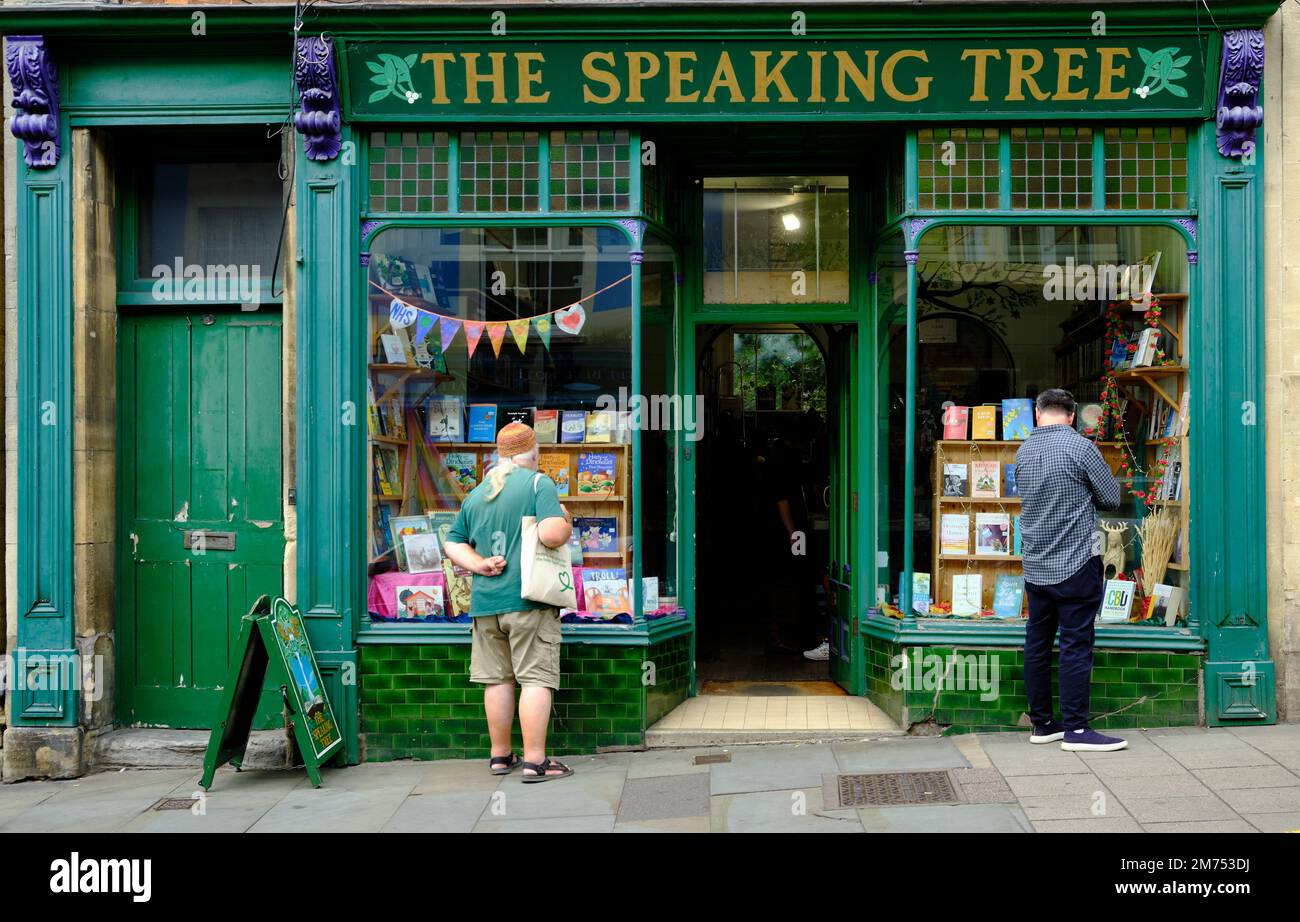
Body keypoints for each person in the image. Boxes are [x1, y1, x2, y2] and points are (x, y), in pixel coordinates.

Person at [443, 422, 575, 782]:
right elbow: (550, 535)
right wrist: (565, 521)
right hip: (528, 600)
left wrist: (480, 564)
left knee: (497, 680)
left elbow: (453, 543)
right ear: (532, 452)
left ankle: (500, 756)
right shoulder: (538, 483)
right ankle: (535, 762)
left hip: (487, 604)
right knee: (535, 679)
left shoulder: (479, 491)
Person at [1015, 388, 1127, 752]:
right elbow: (1111, 498)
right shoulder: (1081, 448)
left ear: (1037, 414)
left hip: (1035, 566)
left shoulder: (1024, 451)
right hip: (1075, 563)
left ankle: (1043, 724)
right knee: (1076, 643)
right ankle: (1077, 730)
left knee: (1037, 642)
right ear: (1072, 416)